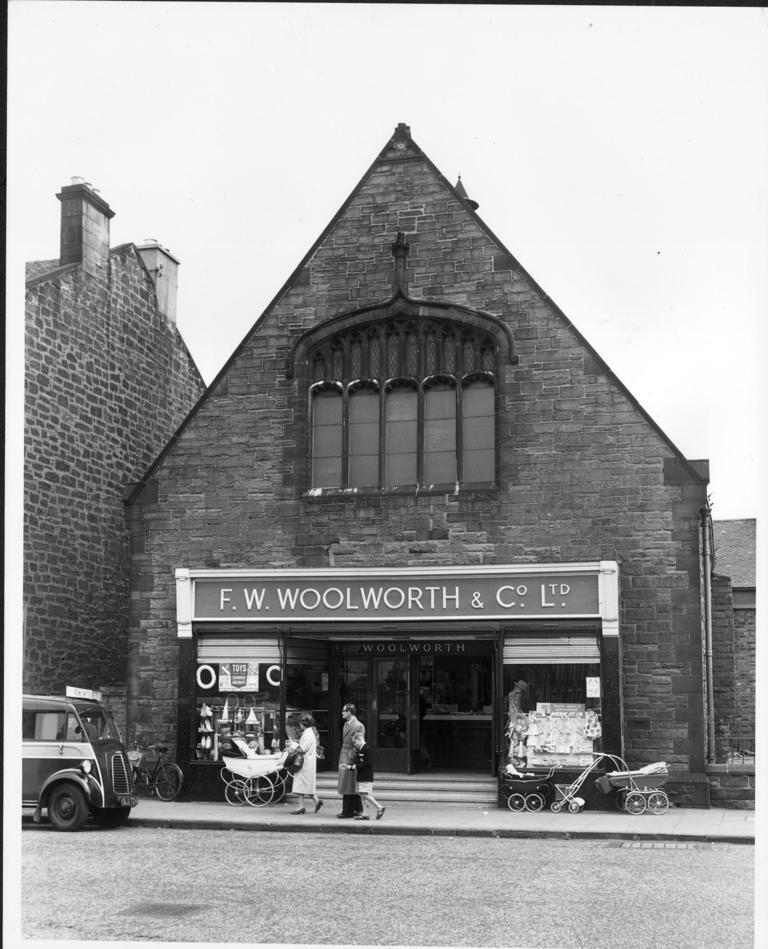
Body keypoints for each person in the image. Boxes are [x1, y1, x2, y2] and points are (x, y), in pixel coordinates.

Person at [290, 713, 322, 815]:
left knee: (300, 783)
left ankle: (301, 806)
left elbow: (302, 749)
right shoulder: (309, 732)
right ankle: (316, 801)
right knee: (306, 784)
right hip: (308, 762)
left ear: (302, 724)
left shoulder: (307, 734)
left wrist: (293, 745)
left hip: (304, 763)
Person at [337, 703, 365, 818]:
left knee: (348, 784)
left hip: (349, 757)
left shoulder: (358, 726)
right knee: (348, 784)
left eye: (344, 711)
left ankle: (348, 810)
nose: (342, 713)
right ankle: (356, 809)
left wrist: (351, 758)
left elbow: (358, 744)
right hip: (344, 754)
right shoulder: (346, 724)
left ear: (349, 712)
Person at [350, 733, 385, 821]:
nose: (355, 745)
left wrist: (356, 767)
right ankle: (365, 814)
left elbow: (368, 763)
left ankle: (379, 807)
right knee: (362, 794)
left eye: (355, 743)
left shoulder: (366, 749)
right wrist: (353, 766)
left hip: (365, 775)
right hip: (362, 775)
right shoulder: (362, 749)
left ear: (359, 739)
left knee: (364, 794)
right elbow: (361, 762)